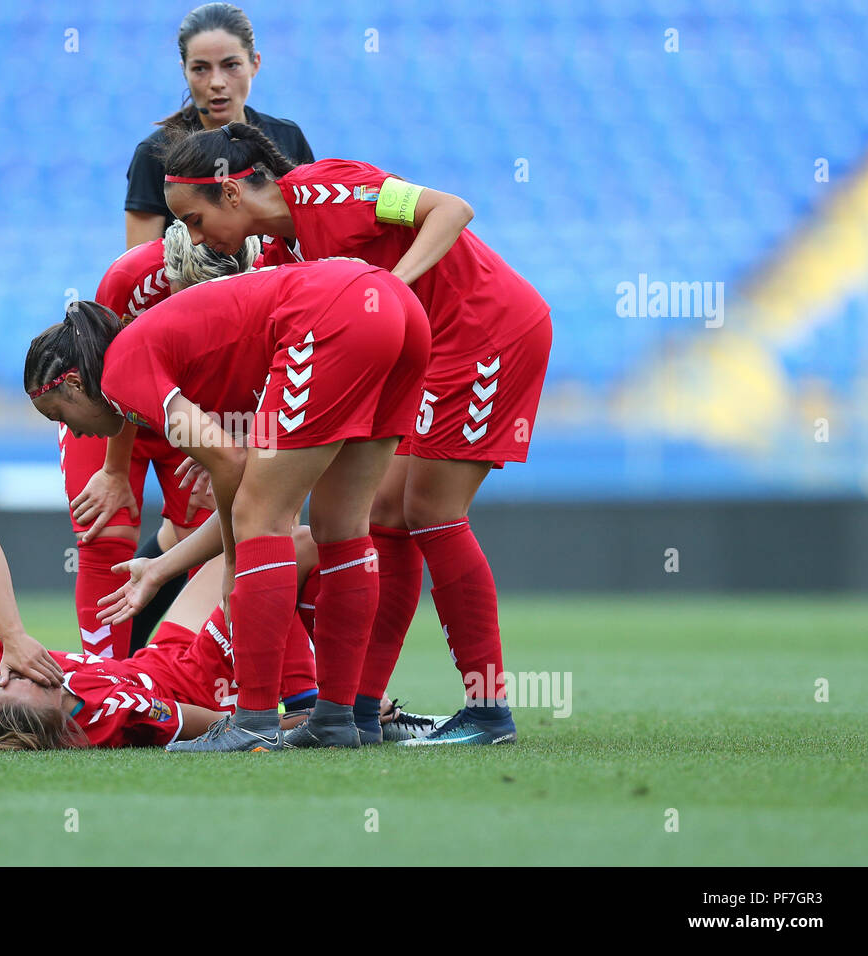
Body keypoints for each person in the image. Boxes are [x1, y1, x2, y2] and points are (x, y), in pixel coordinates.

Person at [160, 123, 553, 746]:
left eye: (195, 219)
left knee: (429, 509)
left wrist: (393, 285)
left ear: (231, 193)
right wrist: (219, 442)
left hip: (484, 330)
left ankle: (488, 710)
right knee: (386, 517)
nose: (196, 238)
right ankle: (357, 713)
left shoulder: (329, 192)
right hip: (425, 350)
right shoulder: (280, 258)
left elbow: (451, 210)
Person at [25, 258, 429, 751]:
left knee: (264, 520)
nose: (76, 431)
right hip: (398, 309)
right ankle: (339, 720)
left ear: (71, 382)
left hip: (337, 314)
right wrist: (163, 566)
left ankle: (252, 724)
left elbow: (230, 465)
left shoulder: (120, 372)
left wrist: (236, 564)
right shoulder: (154, 347)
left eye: (58, 415)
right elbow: (231, 449)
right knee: (341, 527)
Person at [63, 222, 261, 660]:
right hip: (115, 408)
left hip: (187, 409)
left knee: (207, 531)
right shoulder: (130, 278)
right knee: (106, 524)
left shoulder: (259, 272)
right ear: (172, 276)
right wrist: (114, 470)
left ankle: (198, 680)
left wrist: (227, 446)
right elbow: (113, 376)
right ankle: (106, 678)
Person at [0, 523, 320, 750]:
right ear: (56, 719)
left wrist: (13, 636)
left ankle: (173, 532)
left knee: (248, 528)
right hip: (202, 679)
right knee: (291, 544)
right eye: (40, 684)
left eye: (17, 675)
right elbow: (221, 726)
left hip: (162, 652)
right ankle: (322, 698)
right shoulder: (110, 722)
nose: (27, 669)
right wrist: (315, 717)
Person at [124, 2, 314, 248]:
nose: (216, 82)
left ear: (254, 64)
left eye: (230, 65)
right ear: (184, 71)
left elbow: (311, 237)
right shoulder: (154, 154)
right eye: (200, 68)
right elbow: (140, 271)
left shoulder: (288, 137)